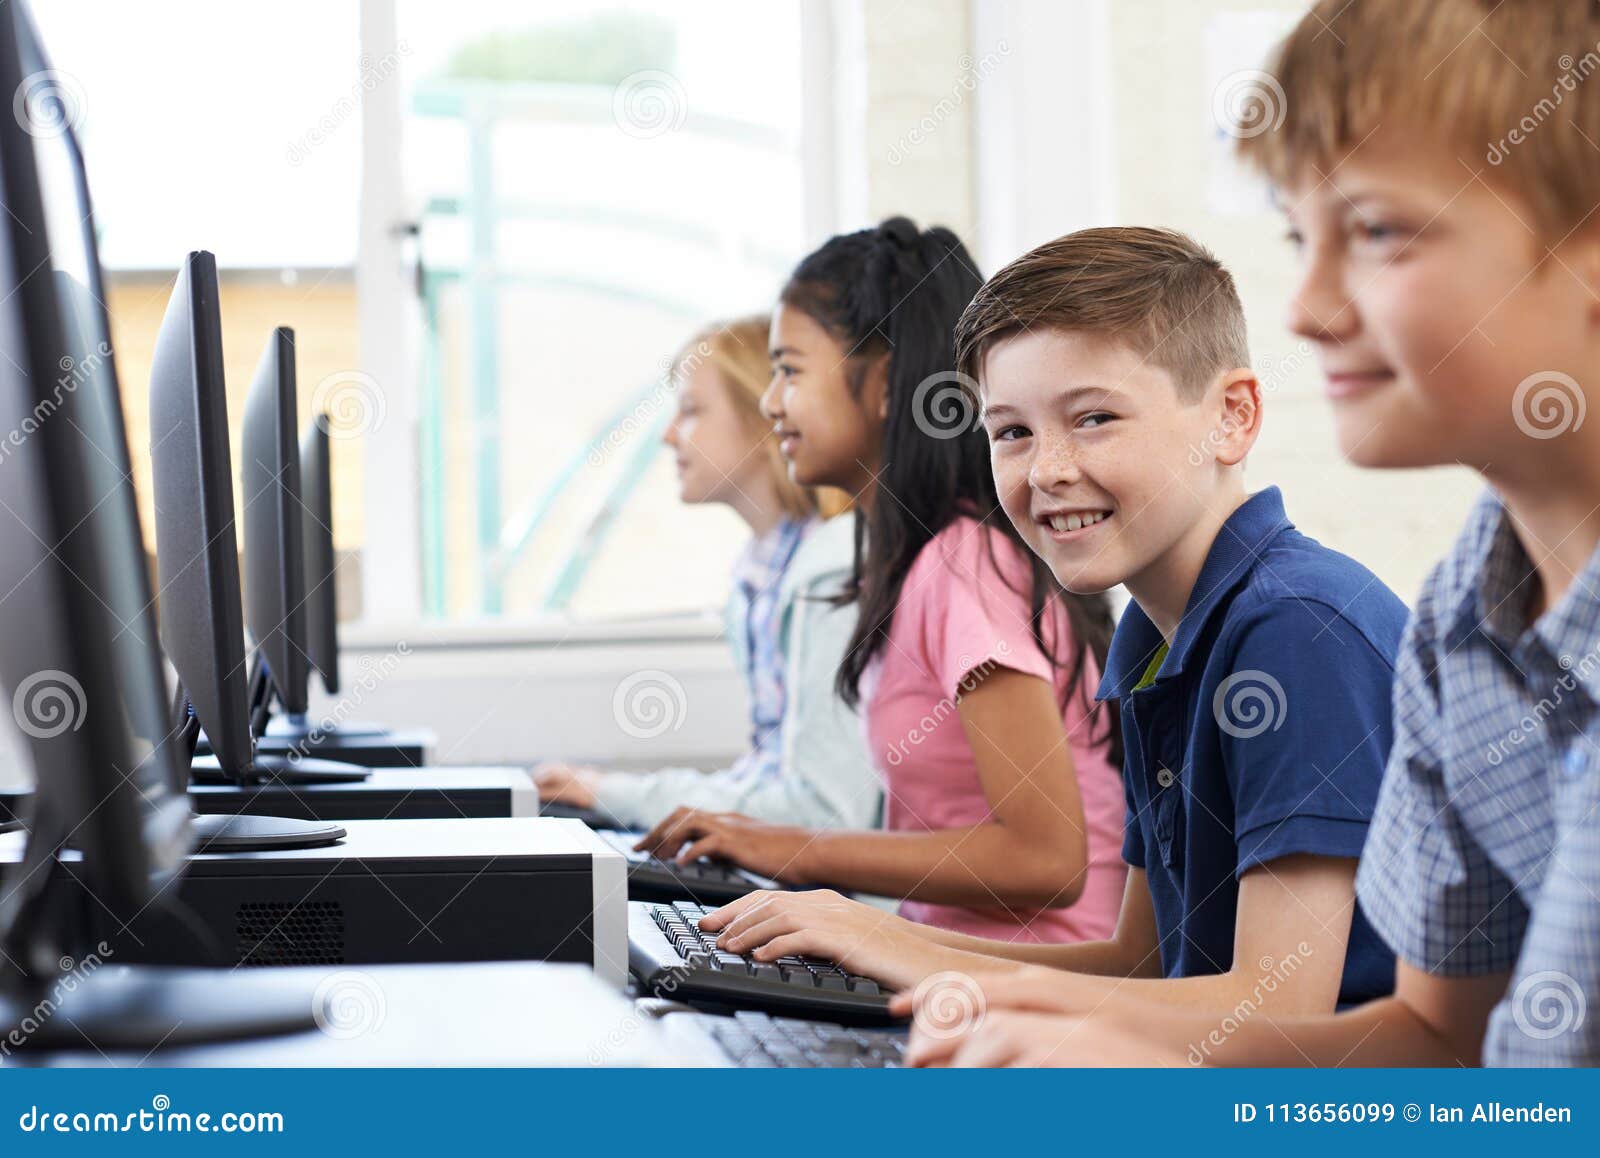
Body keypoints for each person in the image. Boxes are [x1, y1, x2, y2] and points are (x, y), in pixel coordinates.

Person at [909, 0, 1600, 1067]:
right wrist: (1047, 1027)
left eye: (1374, 231)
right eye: (1296, 237)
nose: (1308, 307)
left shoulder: (1300, 623)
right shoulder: (1463, 613)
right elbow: (1437, 1044)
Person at [707, 227, 1405, 1026]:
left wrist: (938, 971)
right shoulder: (1155, 638)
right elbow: (1139, 966)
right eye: (1012, 431)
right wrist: (882, 940)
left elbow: (1280, 1011)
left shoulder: (1292, 629)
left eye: (1095, 418)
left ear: (1232, 417)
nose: (1047, 470)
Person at [638, 217, 1127, 943]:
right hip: (952, 961)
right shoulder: (911, 563)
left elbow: (1049, 859)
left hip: (1029, 989)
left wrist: (795, 852)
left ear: (888, 383)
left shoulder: (966, 565)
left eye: (791, 370)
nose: (771, 402)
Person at [534, 316, 878, 832]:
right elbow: (769, 775)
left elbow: (823, 812)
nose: (669, 435)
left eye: (692, 410)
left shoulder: (831, 572)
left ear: (766, 416)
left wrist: (621, 795)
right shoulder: (758, 572)